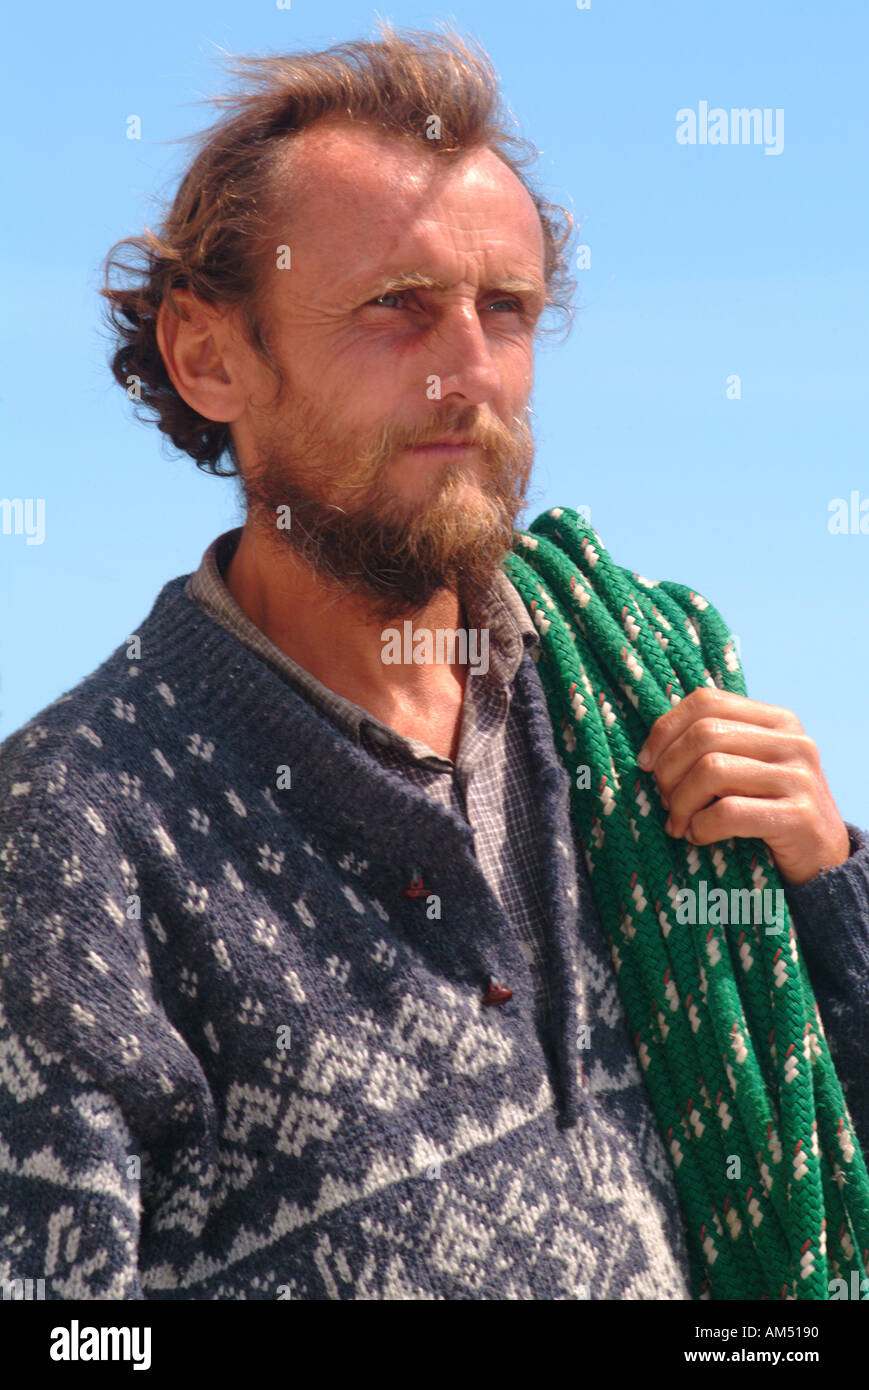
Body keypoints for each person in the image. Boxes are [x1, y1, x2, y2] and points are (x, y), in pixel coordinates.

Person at [1, 24, 867, 1301]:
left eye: (503, 310)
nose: (470, 372)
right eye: (396, 309)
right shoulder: (76, 823)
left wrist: (824, 892)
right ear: (209, 355)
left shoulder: (636, 705)